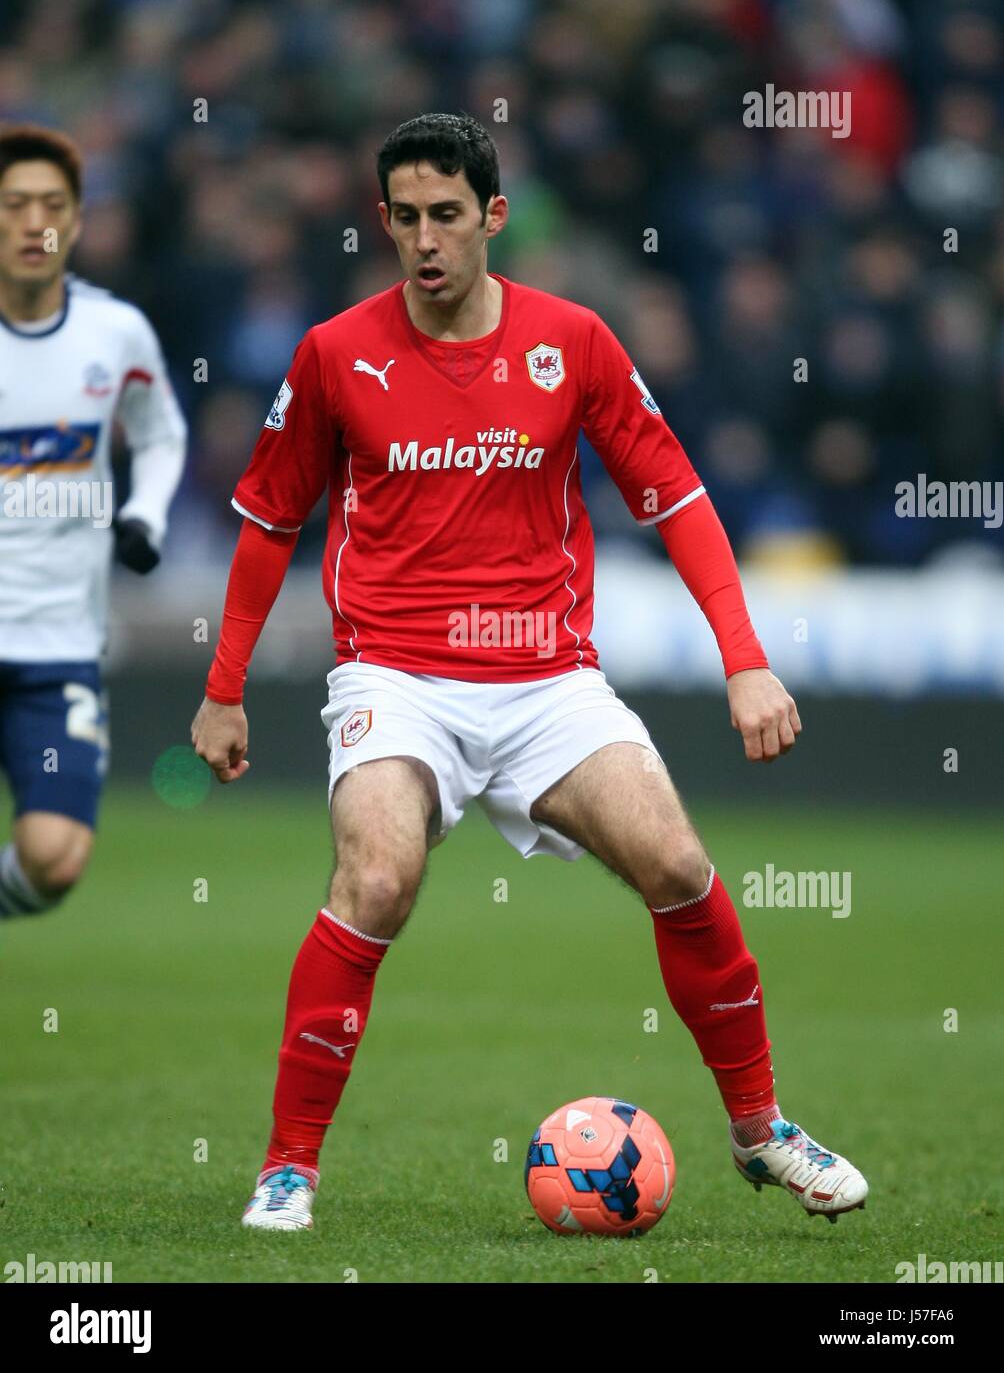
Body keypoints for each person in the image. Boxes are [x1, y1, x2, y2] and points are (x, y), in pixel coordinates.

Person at [191, 113, 866, 1232]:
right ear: (384, 222)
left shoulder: (575, 341)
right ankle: (286, 1168)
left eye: (446, 216)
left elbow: (678, 497)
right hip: (393, 676)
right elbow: (268, 521)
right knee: (374, 882)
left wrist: (745, 663)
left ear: (492, 217)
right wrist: (223, 687)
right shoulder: (332, 353)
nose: (424, 240)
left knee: (680, 865)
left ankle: (760, 1132)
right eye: (403, 218)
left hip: (546, 678)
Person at [0, 124, 186, 921]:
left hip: (58, 645)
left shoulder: (116, 332)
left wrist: (144, 514)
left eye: (52, 205)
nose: (33, 223)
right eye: (14, 205)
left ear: (75, 222)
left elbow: (161, 431)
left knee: (56, 860)